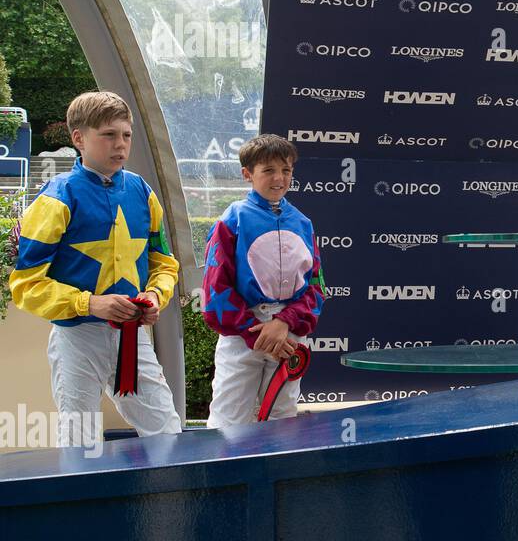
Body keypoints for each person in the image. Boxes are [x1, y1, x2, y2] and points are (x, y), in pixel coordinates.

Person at [8, 91, 182, 445]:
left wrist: (154, 295)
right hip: (77, 337)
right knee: (79, 437)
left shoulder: (142, 192)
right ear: (78, 139)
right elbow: (26, 285)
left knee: (166, 429)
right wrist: (89, 304)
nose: (120, 145)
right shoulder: (56, 197)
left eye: (126, 135)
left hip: (131, 335)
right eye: (108, 135)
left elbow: (163, 263)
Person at [202, 134, 325, 428]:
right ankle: (226, 474)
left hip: (288, 332)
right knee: (228, 418)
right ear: (248, 174)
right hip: (244, 333)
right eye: (268, 170)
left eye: (286, 170)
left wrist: (284, 322)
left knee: (282, 415)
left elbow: (316, 288)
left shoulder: (303, 222)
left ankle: (277, 474)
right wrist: (254, 332)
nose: (279, 178)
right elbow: (215, 291)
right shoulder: (232, 220)